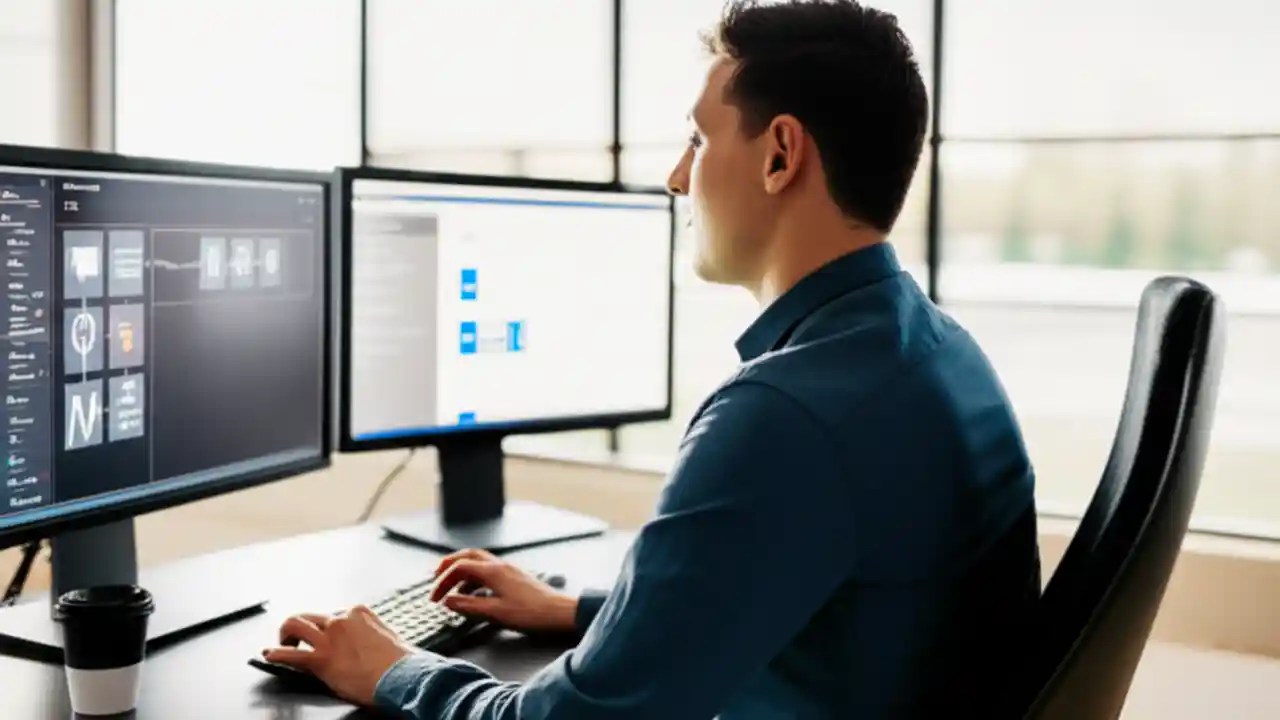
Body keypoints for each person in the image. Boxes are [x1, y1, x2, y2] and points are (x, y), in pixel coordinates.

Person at [263, 1, 1042, 717]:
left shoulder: (785, 415)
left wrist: (392, 669)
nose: (676, 178)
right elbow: (809, 600)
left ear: (780, 155)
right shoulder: (938, 354)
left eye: (698, 140)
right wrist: (577, 611)